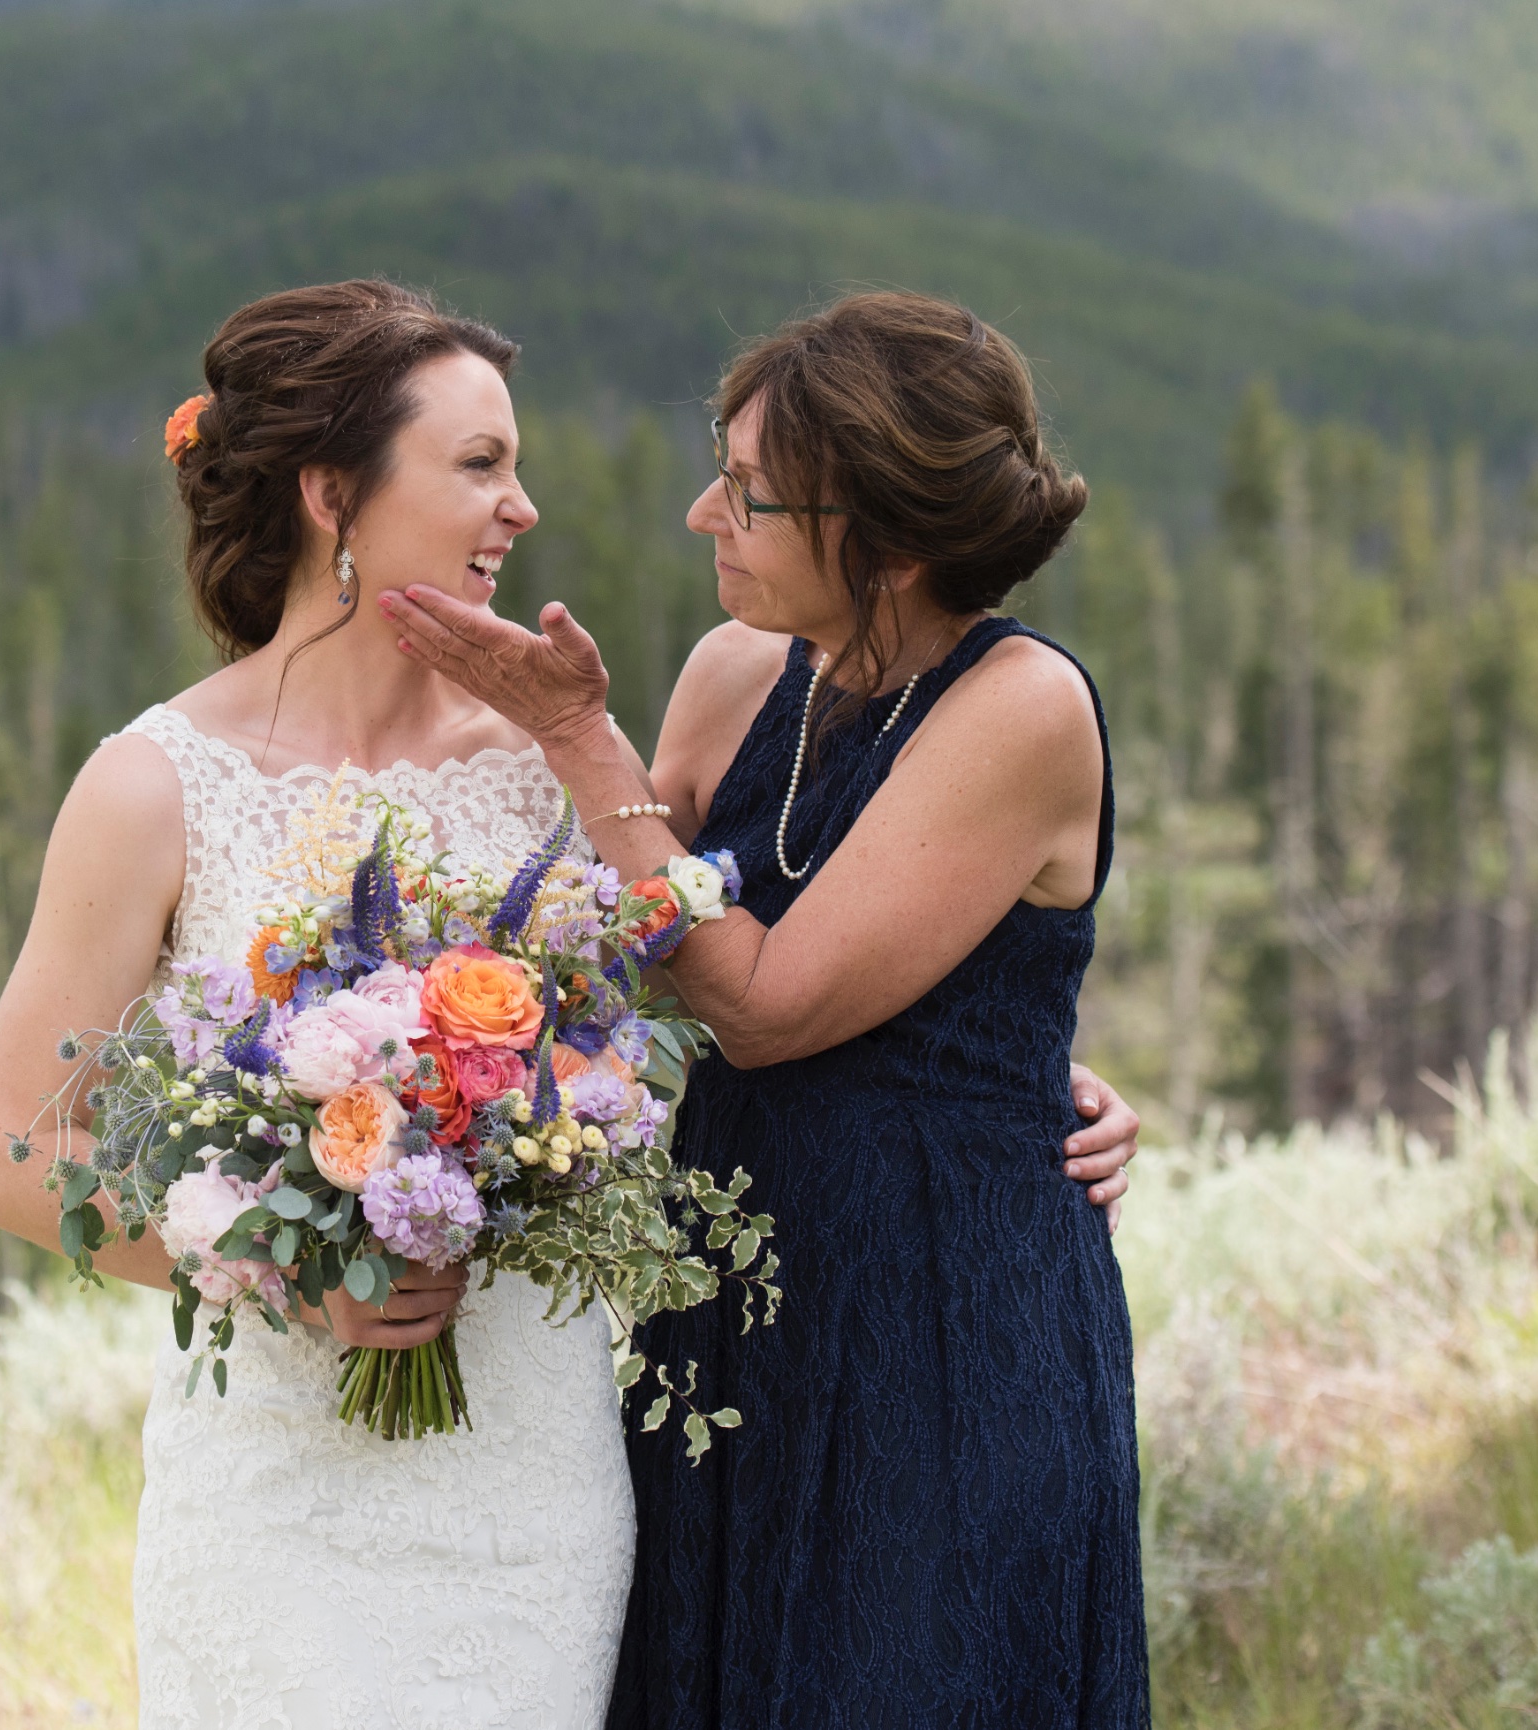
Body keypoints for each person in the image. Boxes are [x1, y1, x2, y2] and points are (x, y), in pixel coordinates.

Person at [0, 280, 1141, 1729]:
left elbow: (730, 989)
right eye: (479, 465)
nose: (525, 506)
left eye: (515, 464)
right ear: (333, 493)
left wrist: (1037, 1085)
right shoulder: (152, 786)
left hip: (546, 1464)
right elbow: (14, 1150)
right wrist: (286, 1263)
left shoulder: (545, 773)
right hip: (282, 1484)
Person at [382, 291, 1146, 1726]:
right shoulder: (738, 673)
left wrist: (575, 733)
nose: (700, 514)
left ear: (892, 539)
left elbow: (763, 1004)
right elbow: (624, 943)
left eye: (748, 493)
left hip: (943, 1317)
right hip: (729, 1299)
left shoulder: (1022, 704)